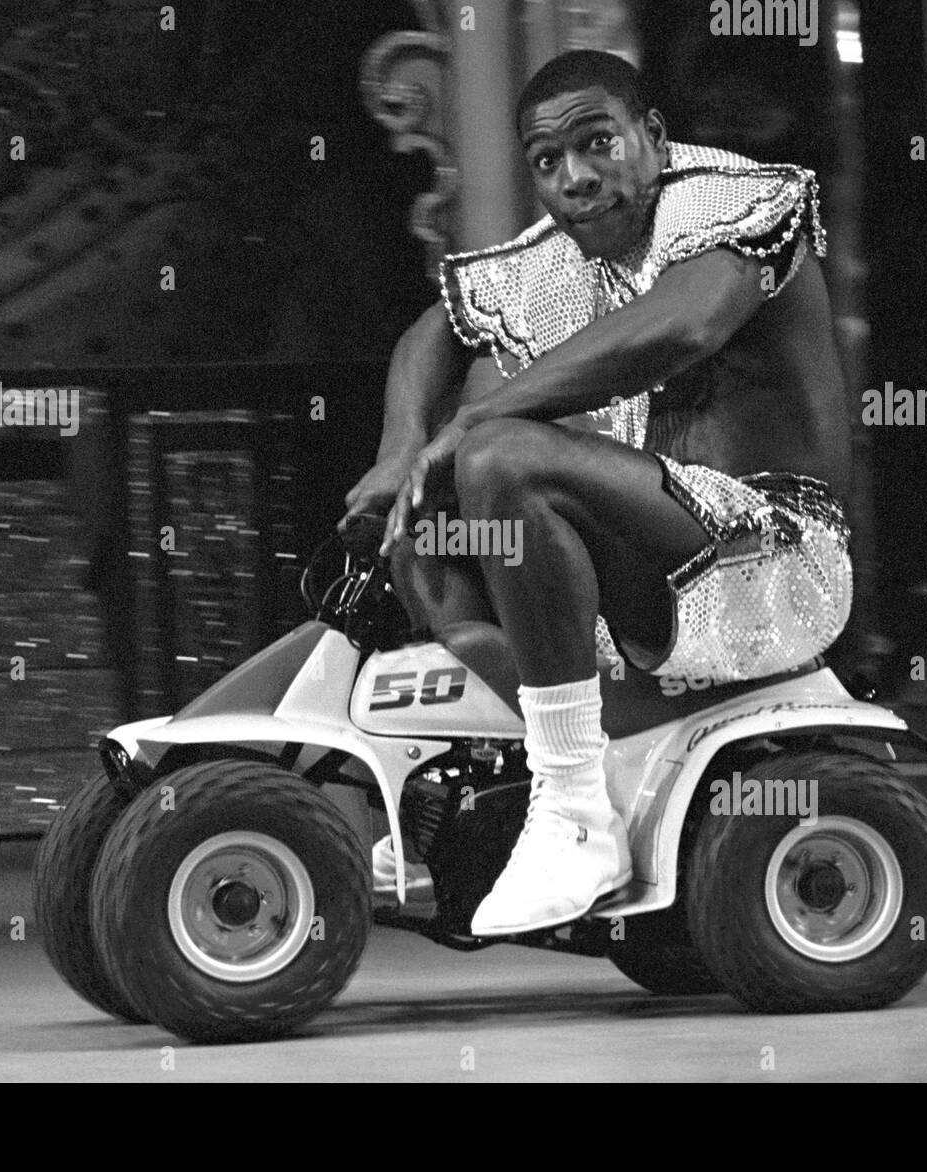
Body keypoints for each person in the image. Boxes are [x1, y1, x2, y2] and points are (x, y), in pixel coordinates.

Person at [340, 50, 854, 936]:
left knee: (501, 457)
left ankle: (575, 812)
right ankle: (509, 795)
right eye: (547, 162)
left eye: (597, 143)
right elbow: (438, 330)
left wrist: (472, 424)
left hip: (771, 557)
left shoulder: (731, 200)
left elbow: (680, 327)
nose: (575, 178)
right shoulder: (573, 246)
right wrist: (399, 454)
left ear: (652, 137)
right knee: (429, 528)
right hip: (669, 554)